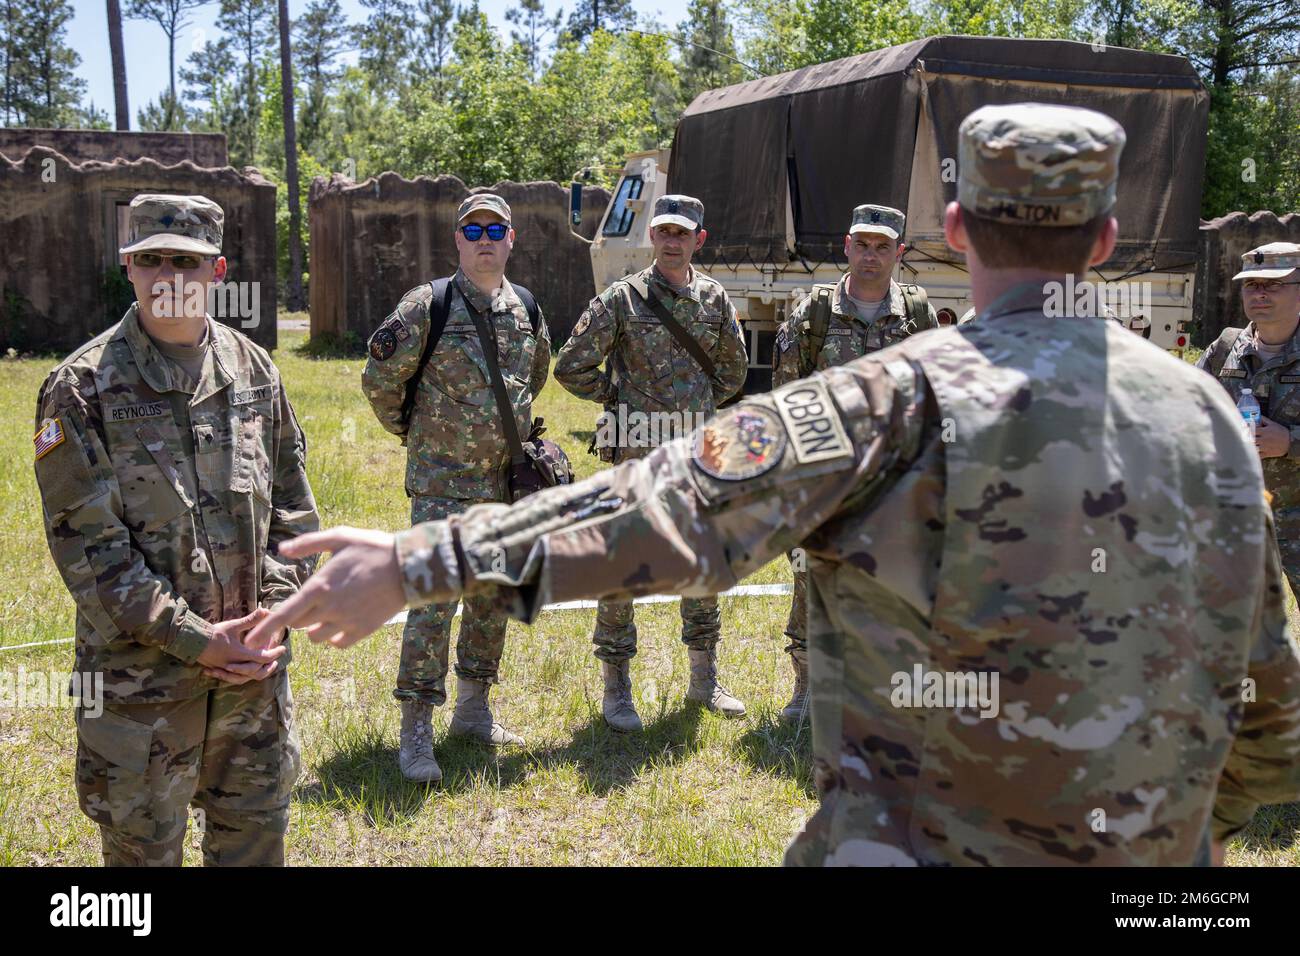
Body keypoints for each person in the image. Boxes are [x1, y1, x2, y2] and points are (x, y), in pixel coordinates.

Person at [248, 104, 1300, 866]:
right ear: (1107, 240)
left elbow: (665, 506)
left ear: (956, 231)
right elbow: (1266, 676)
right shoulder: (1206, 411)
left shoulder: (892, 396)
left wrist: (418, 559)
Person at [33, 193, 319, 866]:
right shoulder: (82, 388)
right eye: (152, 259)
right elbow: (92, 553)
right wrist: (195, 640)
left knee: (253, 846)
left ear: (216, 272)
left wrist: (269, 617)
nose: (169, 277)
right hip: (143, 694)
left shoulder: (254, 372)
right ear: (127, 268)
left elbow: (294, 510)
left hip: (252, 679)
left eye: (185, 262)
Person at [361, 193, 551, 783]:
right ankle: (416, 726)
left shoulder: (526, 308)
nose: (485, 238)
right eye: (474, 229)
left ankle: (473, 710)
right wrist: (419, 436)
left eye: (497, 228)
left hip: (504, 485)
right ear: (458, 240)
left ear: (512, 238)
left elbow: (534, 377)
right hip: (442, 483)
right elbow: (380, 381)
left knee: (492, 597)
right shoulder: (429, 305)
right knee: (432, 603)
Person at [553, 194, 748, 731]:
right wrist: (620, 400)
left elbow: (733, 372)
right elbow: (571, 366)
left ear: (698, 240)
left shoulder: (713, 298)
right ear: (651, 237)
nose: (670, 241)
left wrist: (698, 408)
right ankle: (617, 689)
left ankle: (704, 680)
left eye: (681, 233)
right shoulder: (623, 298)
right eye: (662, 231)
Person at [770, 203, 937, 722]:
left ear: (899, 254)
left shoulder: (917, 313)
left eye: (883, 246)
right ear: (847, 246)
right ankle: (806, 687)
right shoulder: (813, 313)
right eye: (862, 245)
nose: (871, 255)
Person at [1197, 242, 1300, 598]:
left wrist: (1291, 442)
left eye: (1273, 284)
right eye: (1251, 285)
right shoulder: (1224, 350)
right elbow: (1186, 416)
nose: (1260, 293)